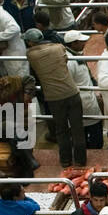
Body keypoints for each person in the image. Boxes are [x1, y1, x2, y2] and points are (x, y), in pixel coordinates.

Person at [25, 28, 86, 168]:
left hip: (54, 98)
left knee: (61, 130)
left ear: (30, 42)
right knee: (77, 128)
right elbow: (64, 60)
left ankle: (65, 160)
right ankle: (81, 160)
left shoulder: (31, 54)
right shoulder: (59, 48)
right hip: (72, 93)